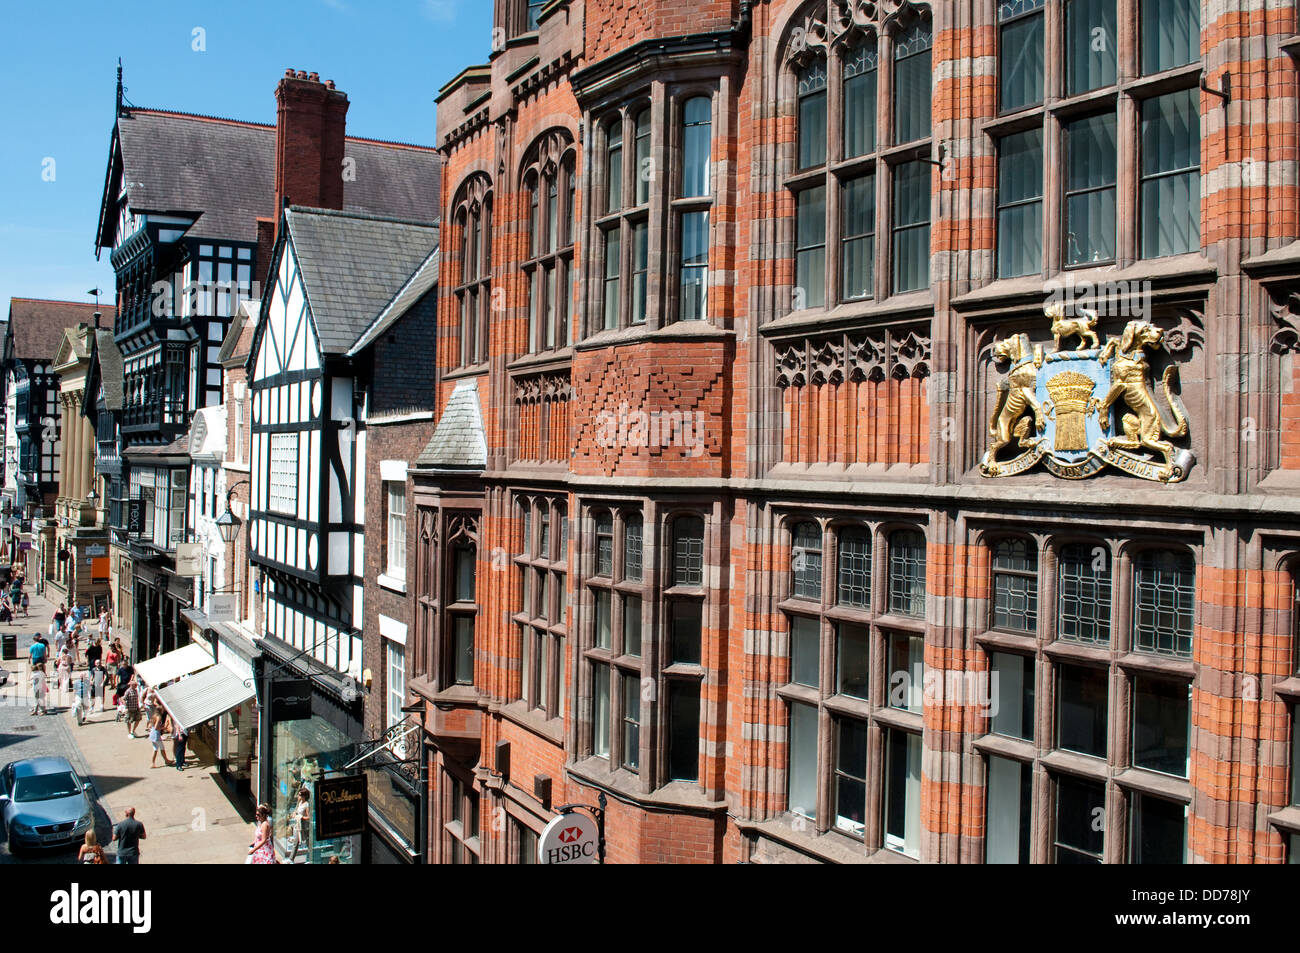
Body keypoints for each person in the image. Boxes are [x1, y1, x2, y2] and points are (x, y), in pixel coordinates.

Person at [287, 786, 311, 862]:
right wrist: (295, 814)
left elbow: (309, 817)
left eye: (300, 795)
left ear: (304, 796)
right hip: (297, 825)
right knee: (295, 842)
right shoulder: (300, 802)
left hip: (303, 826)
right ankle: (291, 859)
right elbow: (296, 810)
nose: (299, 796)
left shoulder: (306, 805)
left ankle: (310, 858)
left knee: (307, 842)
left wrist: (301, 817)